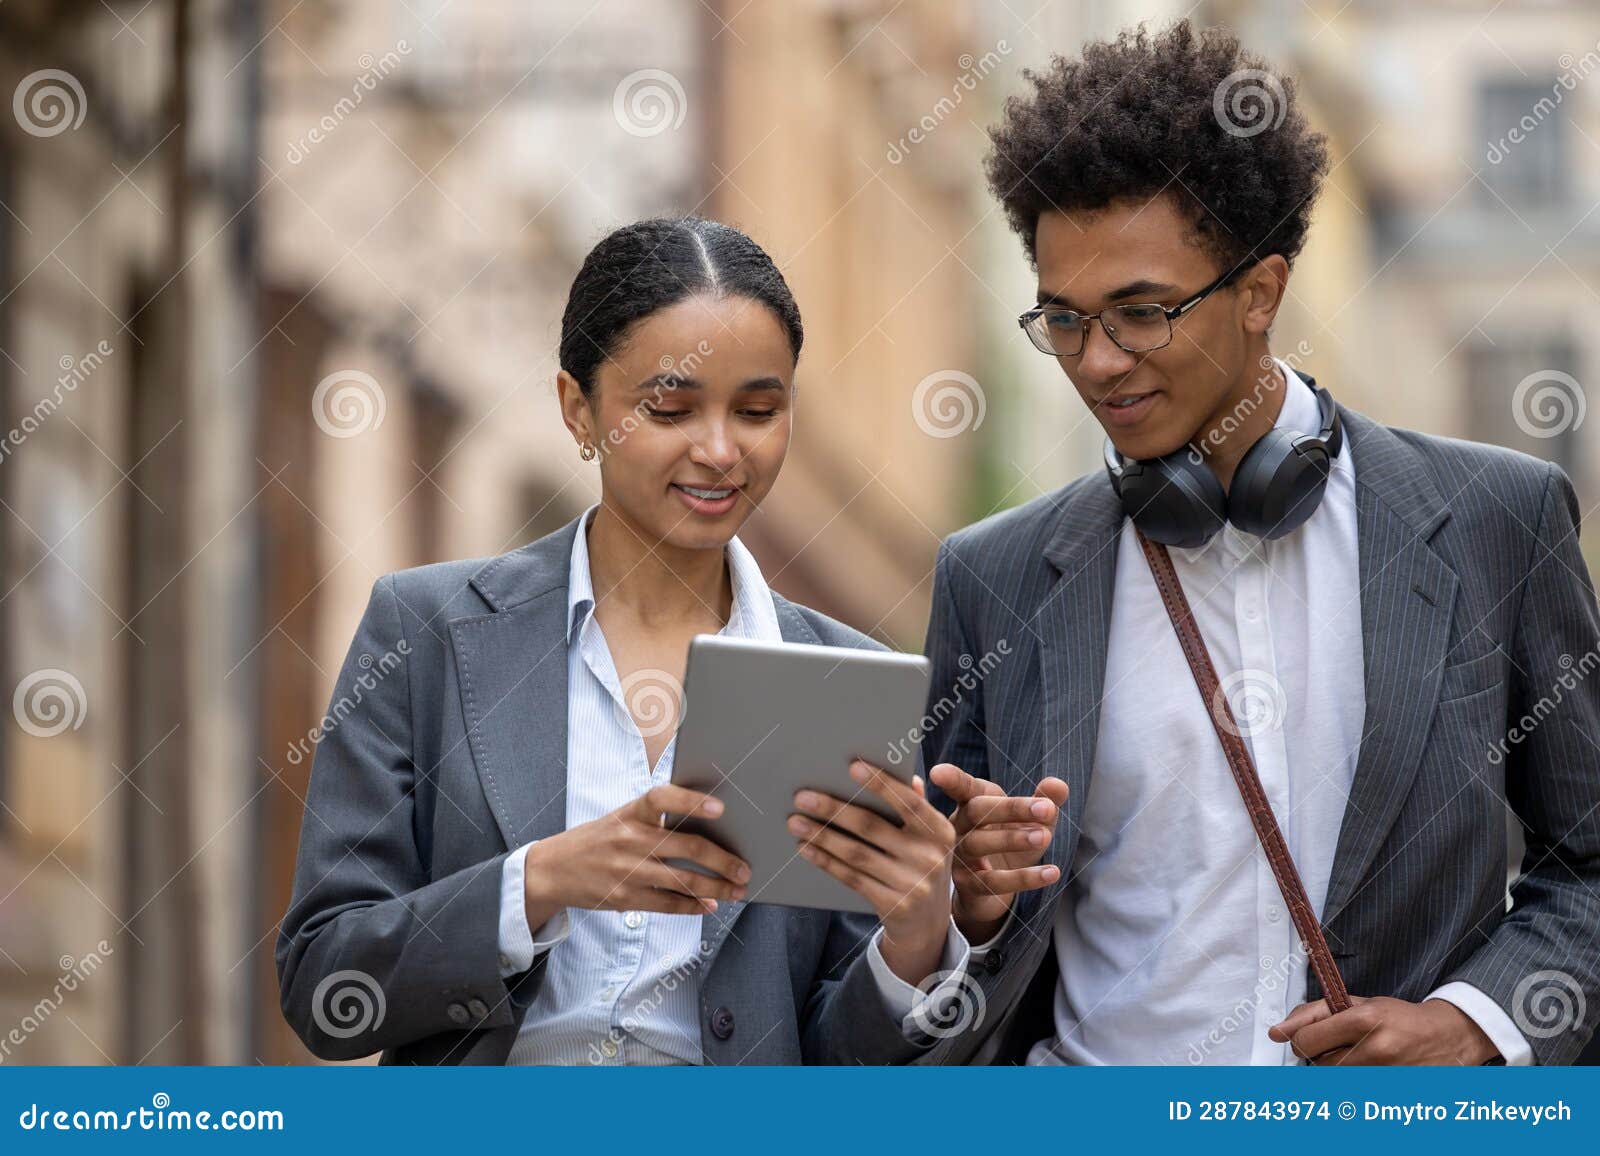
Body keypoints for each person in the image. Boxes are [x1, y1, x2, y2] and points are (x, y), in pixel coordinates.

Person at [922, 20, 1600, 1065]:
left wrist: (1474, 1024)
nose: (1097, 362)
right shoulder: (994, 577)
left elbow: (1589, 863)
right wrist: (961, 906)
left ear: (1260, 294)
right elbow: (922, 950)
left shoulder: (1494, 520)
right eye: (1061, 319)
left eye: (1140, 313)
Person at [277, 216, 970, 1065]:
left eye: (759, 409)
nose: (720, 451)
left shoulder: (849, 681)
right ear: (579, 408)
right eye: (670, 408)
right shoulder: (426, 633)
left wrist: (913, 941)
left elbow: (834, 1060)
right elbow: (324, 983)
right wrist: (539, 883)